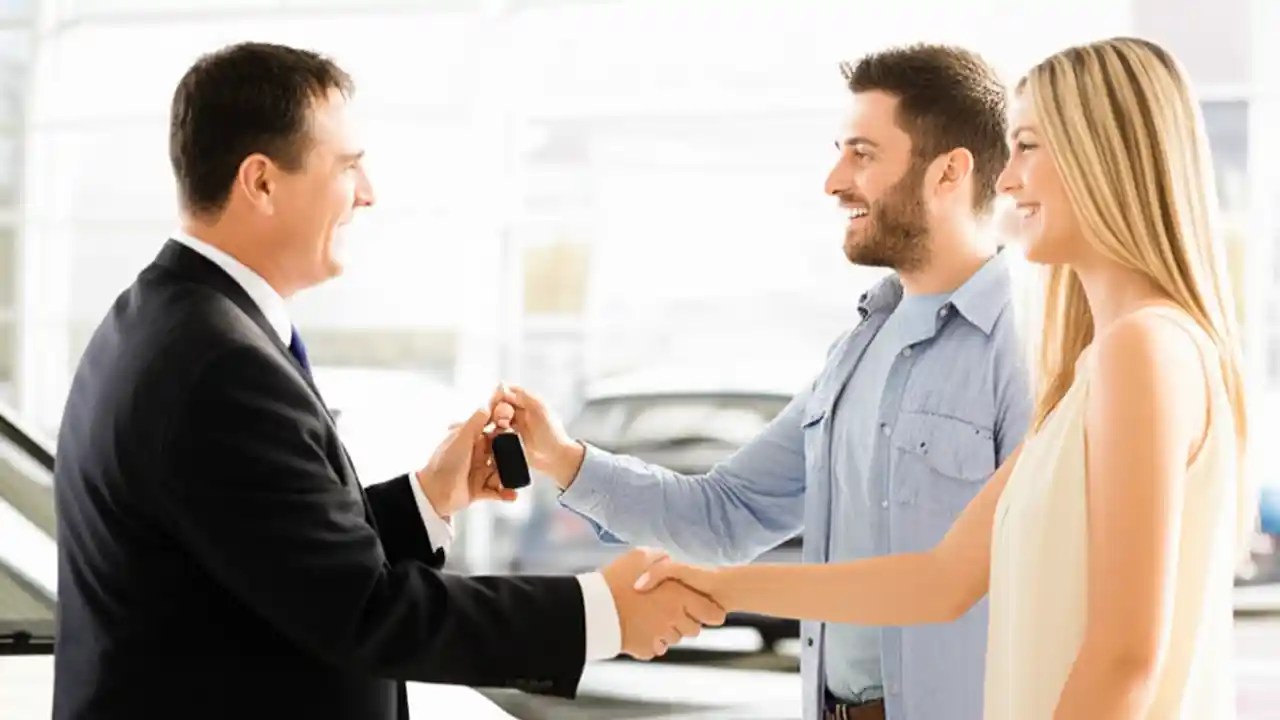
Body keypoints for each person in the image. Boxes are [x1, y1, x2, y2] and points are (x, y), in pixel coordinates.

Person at [51, 42, 722, 720]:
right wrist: (600, 613)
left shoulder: (171, 319)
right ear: (261, 182)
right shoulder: (219, 365)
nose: (368, 195)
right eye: (348, 167)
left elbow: (277, 559)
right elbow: (363, 612)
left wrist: (431, 497)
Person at [633, 36, 1251, 720]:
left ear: (1104, 154)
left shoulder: (1142, 349)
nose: (1007, 179)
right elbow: (940, 580)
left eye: (1029, 147)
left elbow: (1125, 658)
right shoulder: (1098, 367)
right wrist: (719, 587)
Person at [497, 44, 1030, 720]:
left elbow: (1021, 583)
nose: (834, 180)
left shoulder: (1028, 347)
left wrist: (723, 587)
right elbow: (726, 514)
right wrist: (562, 458)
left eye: (862, 154)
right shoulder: (858, 349)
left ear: (949, 172)